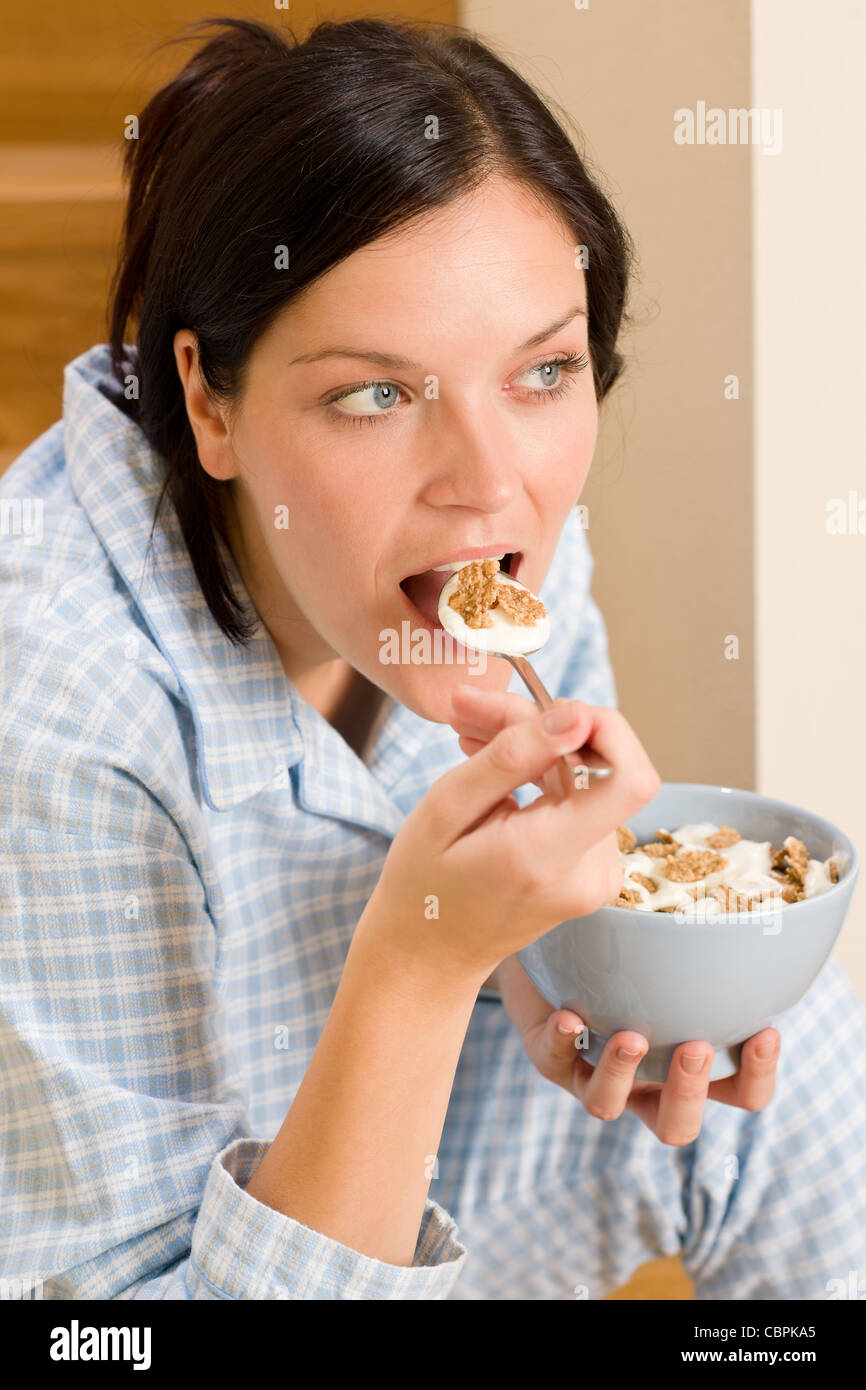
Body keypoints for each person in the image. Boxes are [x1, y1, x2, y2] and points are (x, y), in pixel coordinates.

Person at [1, 15, 864, 1301]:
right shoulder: (56, 695)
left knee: (790, 1040)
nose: (489, 488)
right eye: (374, 394)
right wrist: (419, 958)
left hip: (408, 1164)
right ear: (210, 401)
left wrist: (555, 968)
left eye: (542, 372)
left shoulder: (506, 547)